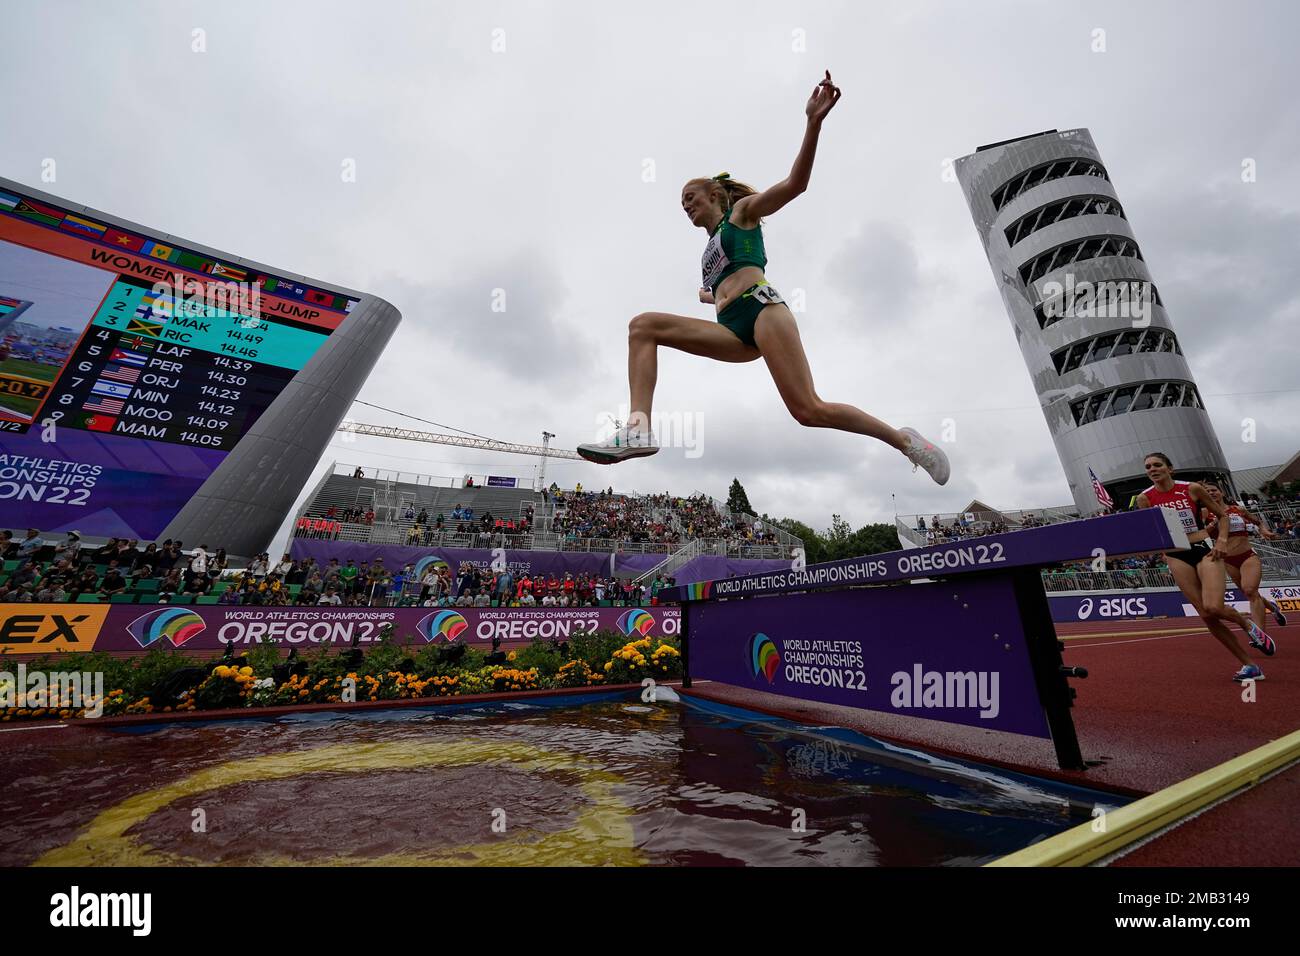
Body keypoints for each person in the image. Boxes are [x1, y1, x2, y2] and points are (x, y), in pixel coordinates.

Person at [576, 72, 948, 486]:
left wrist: (813, 123)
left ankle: (904, 441)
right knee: (643, 326)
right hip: (732, 331)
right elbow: (719, 289)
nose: (685, 206)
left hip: (764, 311)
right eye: (681, 202)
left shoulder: (743, 214)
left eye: (690, 197)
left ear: (715, 195)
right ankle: (638, 427)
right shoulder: (709, 252)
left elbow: (796, 185)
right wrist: (709, 295)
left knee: (808, 410)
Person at [1136, 452, 1276, 682]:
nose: (1152, 469)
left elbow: (1222, 515)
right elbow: (1150, 529)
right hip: (1175, 556)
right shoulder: (1145, 498)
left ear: (1170, 468)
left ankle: (1246, 623)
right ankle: (1250, 666)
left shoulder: (1191, 489)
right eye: (1148, 467)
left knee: (1213, 606)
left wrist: (1221, 540)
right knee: (1207, 616)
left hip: (1203, 549)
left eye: (1157, 465)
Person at [1200, 480, 1287, 629]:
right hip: (1227, 560)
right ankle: (1273, 608)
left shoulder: (1238, 509)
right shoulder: (1205, 513)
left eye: (1213, 490)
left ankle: (1260, 634)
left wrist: (1264, 531)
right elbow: (1200, 534)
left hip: (1247, 555)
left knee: (1250, 590)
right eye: (1206, 491)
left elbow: (1258, 522)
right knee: (1250, 593)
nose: (1211, 493)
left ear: (1222, 492)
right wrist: (1215, 522)